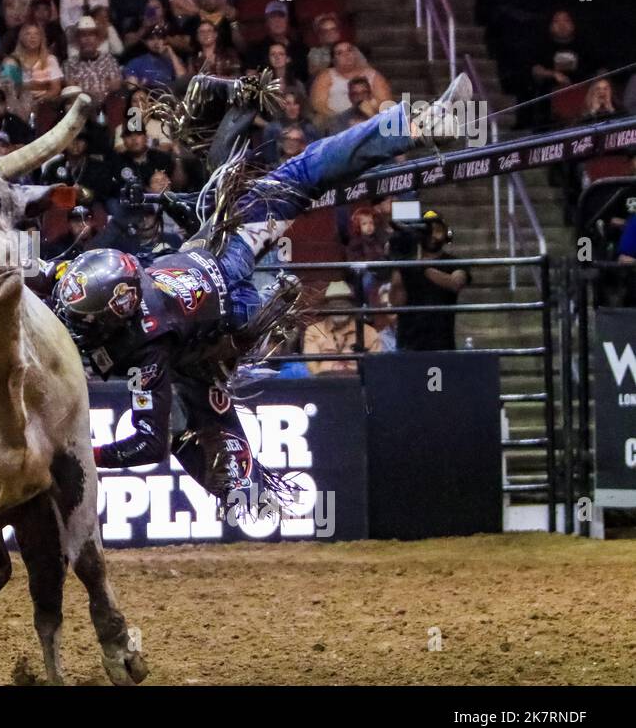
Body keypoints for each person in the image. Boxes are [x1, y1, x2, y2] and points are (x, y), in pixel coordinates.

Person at [53, 72, 472, 508]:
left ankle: (236, 484)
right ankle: (421, 124)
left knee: (191, 398)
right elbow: (148, 443)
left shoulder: (135, 332)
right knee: (300, 171)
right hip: (225, 286)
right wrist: (84, 456)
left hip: (215, 307)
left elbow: (151, 438)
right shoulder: (148, 341)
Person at [390, 209, 470, 351]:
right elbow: (397, 303)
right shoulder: (407, 264)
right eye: (429, 231)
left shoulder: (453, 262)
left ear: (446, 234)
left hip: (441, 341)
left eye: (438, 231)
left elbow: (456, 283)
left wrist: (422, 266)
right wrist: (398, 266)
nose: (433, 236)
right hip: (408, 342)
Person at [301, 280, 380, 375]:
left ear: (351, 306)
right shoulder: (314, 331)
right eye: (334, 303)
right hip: (324, 383)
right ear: (327, 307)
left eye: (343, 302)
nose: (338, 307)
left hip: (357, 384)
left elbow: (375, 368)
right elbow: (312, 366)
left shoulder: (369, 332)